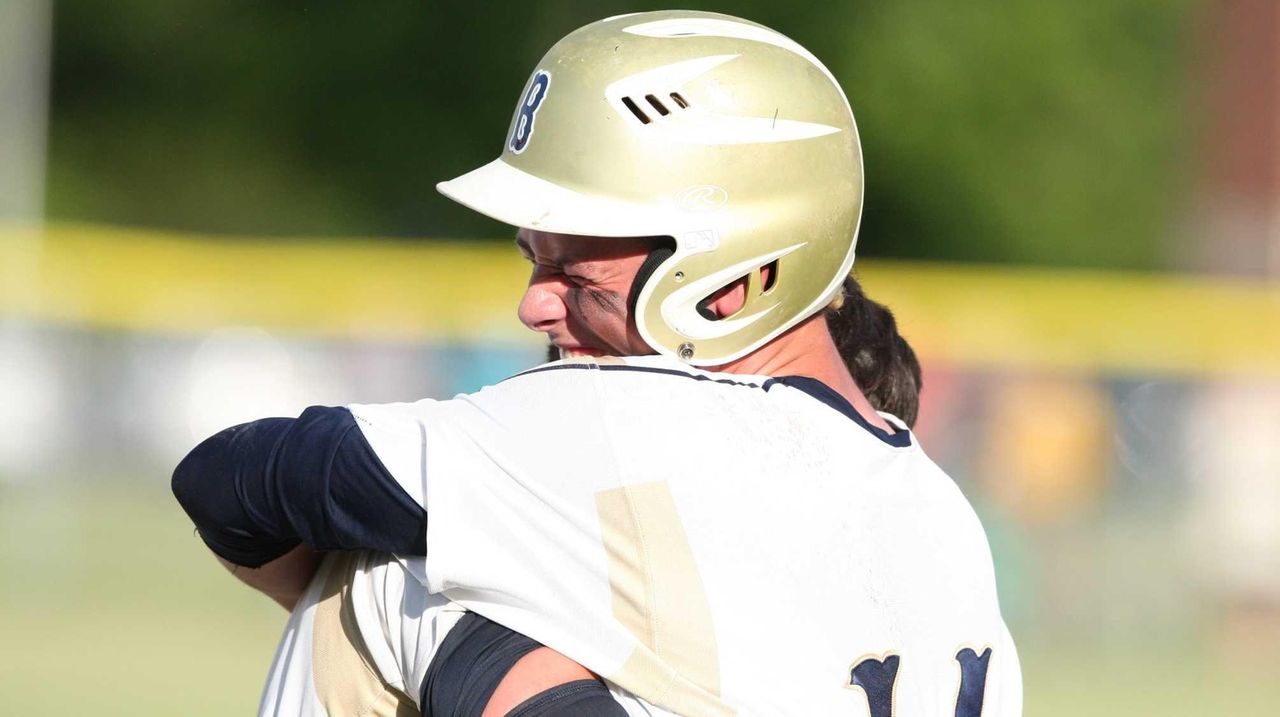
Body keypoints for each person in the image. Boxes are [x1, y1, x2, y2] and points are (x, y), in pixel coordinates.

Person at [174, 10, 1021, 716]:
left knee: (387, 577)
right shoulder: (943, 513)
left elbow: (235, 477)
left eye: (576, 275)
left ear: (735, 284)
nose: (535, 305)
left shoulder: (610, 419)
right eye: (535, 260)